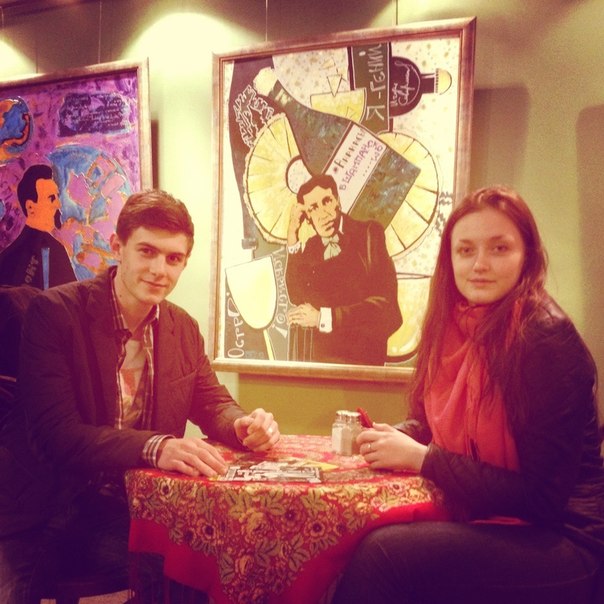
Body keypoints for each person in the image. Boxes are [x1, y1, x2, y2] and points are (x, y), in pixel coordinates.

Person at [0, 189, 280, 603]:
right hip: (43, 504)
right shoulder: (54, 313)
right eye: (147, 251)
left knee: (199, 562)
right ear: (118, 247)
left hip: (127, 505)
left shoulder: (182, 328)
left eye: (173, 258)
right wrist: (156, 447)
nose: (159, 270)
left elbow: (211, 401)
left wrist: (243, 424)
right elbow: (56, 435)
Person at [332, 185, 604, 604]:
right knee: (368, 534)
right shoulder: (454, 326)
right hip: (496, 521)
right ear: (450, 259)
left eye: (499, 248)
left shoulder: (545, 338)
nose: (480, 265)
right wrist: (396, 436)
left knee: (384, 555)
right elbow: (431, 422)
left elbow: (541, 498)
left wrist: (422, 458)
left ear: (527, 255)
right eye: (465, 250)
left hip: (565, 539)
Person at [285, 173, 402, 365]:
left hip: (362, 361)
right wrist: (292, 234)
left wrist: (322, 318)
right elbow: (297, 295)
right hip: (321, 363)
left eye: (326, 201)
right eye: (313, 208)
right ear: (307, 217)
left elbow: (385, 306)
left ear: (337, 201)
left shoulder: (368, 234)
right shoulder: (312, 246)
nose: (323, 214)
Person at [0, 164, 77, 289]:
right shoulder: (9, 260)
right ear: (31, 207)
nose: (58, 204)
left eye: (57, 196)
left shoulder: (57, 249)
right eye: (51, 198)